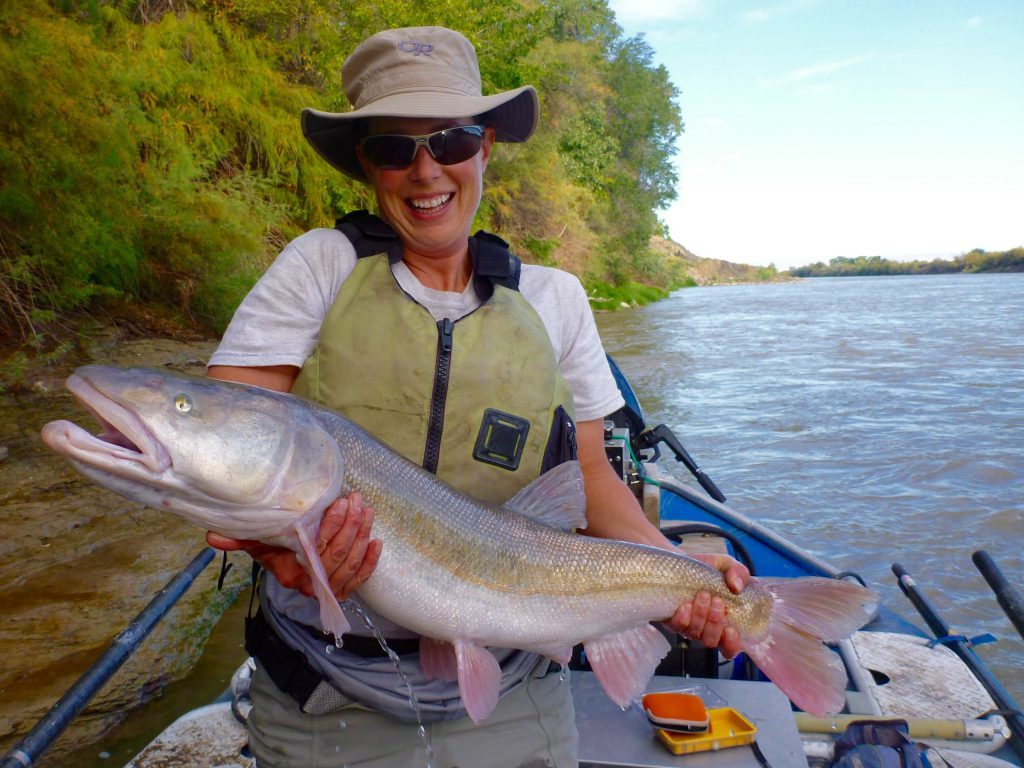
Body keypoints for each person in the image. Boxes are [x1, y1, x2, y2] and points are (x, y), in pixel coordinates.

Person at [205, 25, 749, 768]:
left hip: (515, 688)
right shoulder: (319, 268)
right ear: (368, 165)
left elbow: (594, 483)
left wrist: (689, 580)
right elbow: (230, 449)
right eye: (395, 149)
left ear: (485, 148)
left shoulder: (556, 299)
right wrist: (281, 555)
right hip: (324, 691)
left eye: (451, 142)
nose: (426, 171)